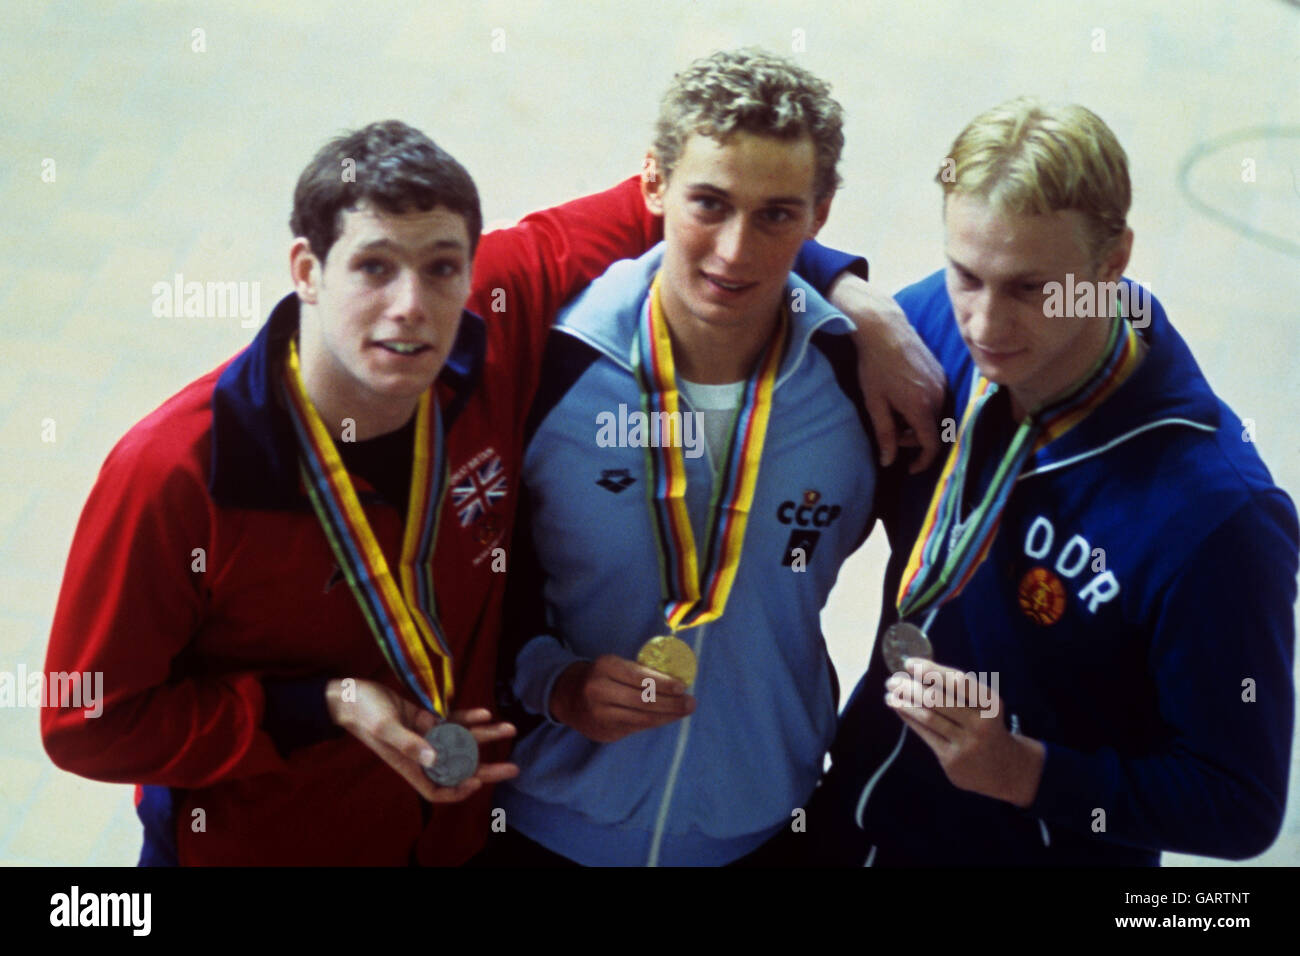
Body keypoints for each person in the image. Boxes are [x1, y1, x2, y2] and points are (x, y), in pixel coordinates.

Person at [41, 119, 942, 866]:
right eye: (371, 268)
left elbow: (694, 203)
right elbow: (86, 722)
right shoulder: (174, 471)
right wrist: (314, 705)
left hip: (464, 840)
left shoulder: (492, 337)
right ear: (307, 270)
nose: (410, 307)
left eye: (440, 268)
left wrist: (846, 288)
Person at [809, 98, 1298, 866]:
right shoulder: (928, 329)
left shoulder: (1219, 516)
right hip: (857, 816)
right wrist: (848, 295)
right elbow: (717, 247)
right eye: (966, 273)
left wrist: (1027, 772)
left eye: (1030, 289)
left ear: (1112, 265)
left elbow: (1241, 806)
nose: (984, 325)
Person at [489, 48, 901, 867]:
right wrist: (552, 683)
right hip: (538, 829)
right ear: (653, 186)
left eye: (777, 214)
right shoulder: (552, 364)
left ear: (822, 213)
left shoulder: (865, 385)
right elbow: (470, 578)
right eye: (708, 203)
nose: (735, 252)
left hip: (759, 834)